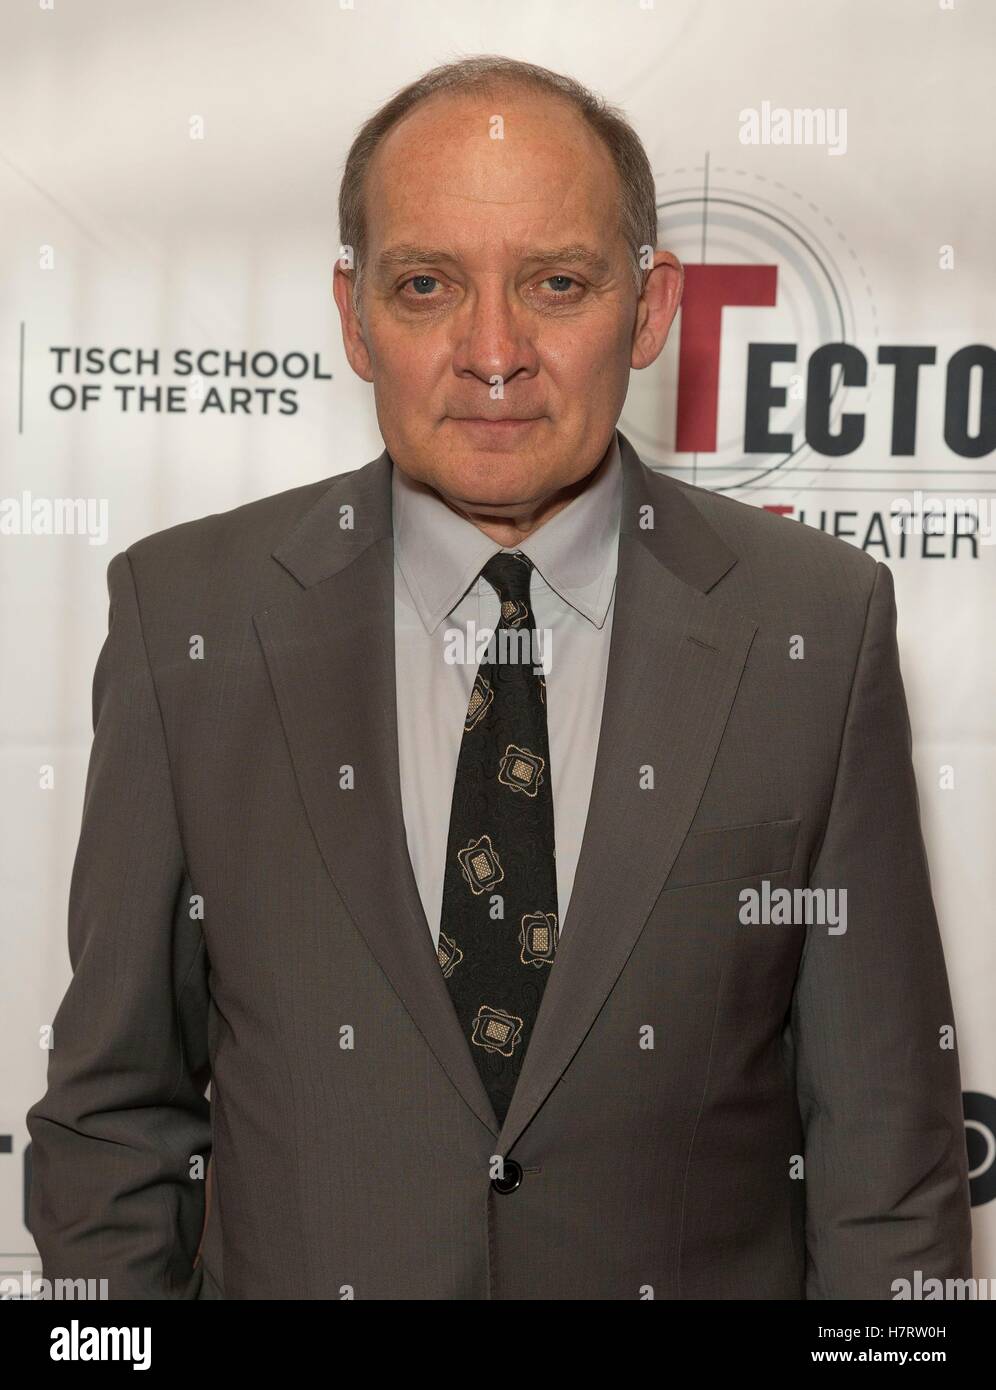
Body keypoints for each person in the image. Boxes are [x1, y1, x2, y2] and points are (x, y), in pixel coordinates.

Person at [26, 55, 972, 1300]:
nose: (493, 353)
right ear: (353, 315)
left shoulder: (814, 624)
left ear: (648, 309)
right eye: (426, 285)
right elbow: (113, 1123)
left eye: (557, 283)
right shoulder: (189, 620)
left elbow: (886, 1151)